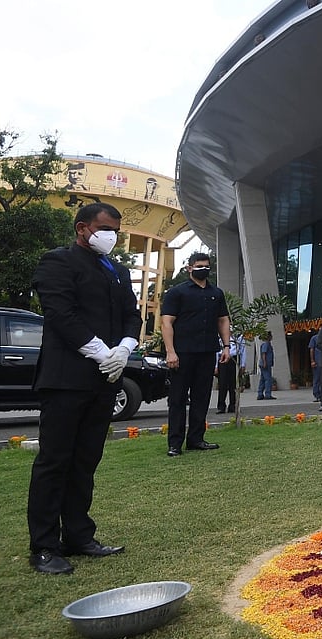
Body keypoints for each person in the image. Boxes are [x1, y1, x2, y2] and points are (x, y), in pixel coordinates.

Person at [27, 203, 140, 574]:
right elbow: (61, 314)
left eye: (116, 231)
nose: (112, 237)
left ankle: (78, 534)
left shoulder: (118, 271)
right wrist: (100, 351)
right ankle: (44, 545)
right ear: (82, 228)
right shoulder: (58, 262)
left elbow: (132, 316)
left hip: (104, 380)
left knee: (86, 460)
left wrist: (124, 348)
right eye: (105, 228)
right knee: (54, 461)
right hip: (66, 378)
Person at [161, 252, 230, 458]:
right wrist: (170, 351)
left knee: (202, 397)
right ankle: (175, 443)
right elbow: (167, 322)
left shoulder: (216, 293)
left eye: (206, 266)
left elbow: (223, 320)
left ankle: (196, 439)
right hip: (182, 353)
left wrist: (227, 346)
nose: (203, 269)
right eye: (199, 266)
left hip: (207, 352)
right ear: (189, 268)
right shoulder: (177, 293)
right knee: (178, 399)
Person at [216, 335, 244, 413]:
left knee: (233, 384)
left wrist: (242, 364)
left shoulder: (238, 336)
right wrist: (215, 366)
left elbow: (242, 350)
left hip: (234, 359)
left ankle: (233, 405)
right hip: (222, 358)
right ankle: (221, 406)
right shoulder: (219, 336)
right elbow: (216, 351)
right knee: (222, 384)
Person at [256, 331, 276, 400]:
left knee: (262, 379)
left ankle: (260, 394)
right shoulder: (266, 344)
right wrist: (265, 362)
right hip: (266, 364)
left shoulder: (266, 344)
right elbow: (263, 353)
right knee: (268, 379)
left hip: (265, 364)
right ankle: (268, 394)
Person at [308, 333, 322, 402]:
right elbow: (311, 349)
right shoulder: (314, 338)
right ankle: (317, 395)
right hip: (317, 362)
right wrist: (312, 360)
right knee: (317, 379)